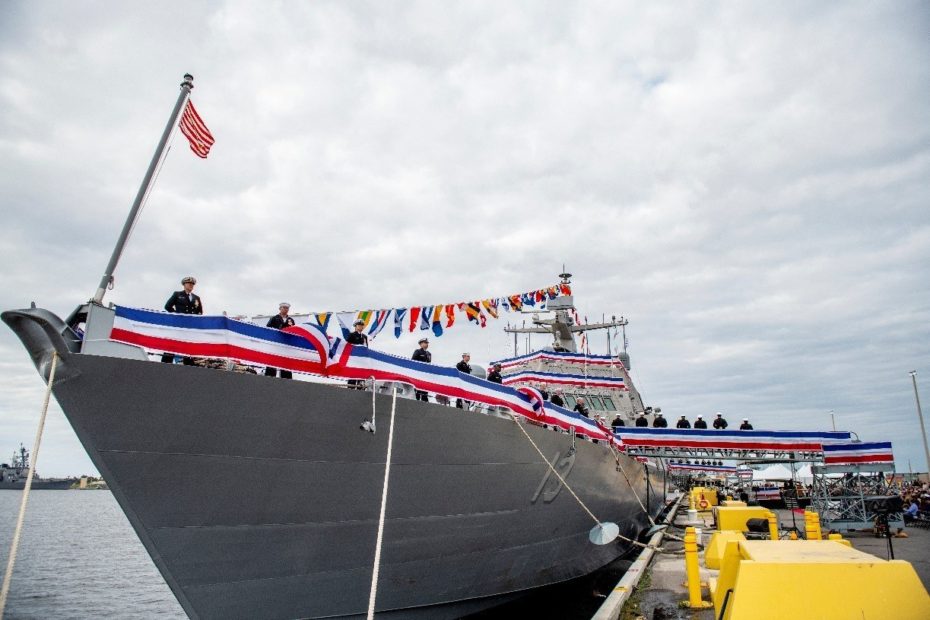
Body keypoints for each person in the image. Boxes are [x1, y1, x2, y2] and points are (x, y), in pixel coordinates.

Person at [161, 276, 202, 364]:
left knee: (188, 345)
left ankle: (188, 364)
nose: (191, 285)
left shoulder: (196, 298)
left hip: (190, 326)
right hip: (178, 324)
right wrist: (177, 314)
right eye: (189, 283)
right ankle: (166, 363)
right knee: (172, 343)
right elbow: (167, 306)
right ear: (184, 285)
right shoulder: (177, 294)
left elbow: (200, 312)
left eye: (192, 284)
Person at [262, 302, 297, 378]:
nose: (285, 309)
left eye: (287, 308)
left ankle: (286, 379)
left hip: (286, 344)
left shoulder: (291, 320)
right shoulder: (274, 318)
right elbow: (268, 329)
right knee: (272, 360)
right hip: (275, 343)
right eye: (284, 308)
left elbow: (294, 331)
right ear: (280, 309)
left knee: (285, 362)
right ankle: (269, 378)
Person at [345, 319, 369, 389]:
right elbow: (347, 346)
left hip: (362, 360)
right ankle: (350, 390)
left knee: (361, 378)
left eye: (362, 325)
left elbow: (366, 348)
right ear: (356, 326)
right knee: (352, 377)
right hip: (354, 359)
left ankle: (360, 389)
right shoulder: (352, 335)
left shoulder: (365, 337)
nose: (361, 327)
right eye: (359, 325)